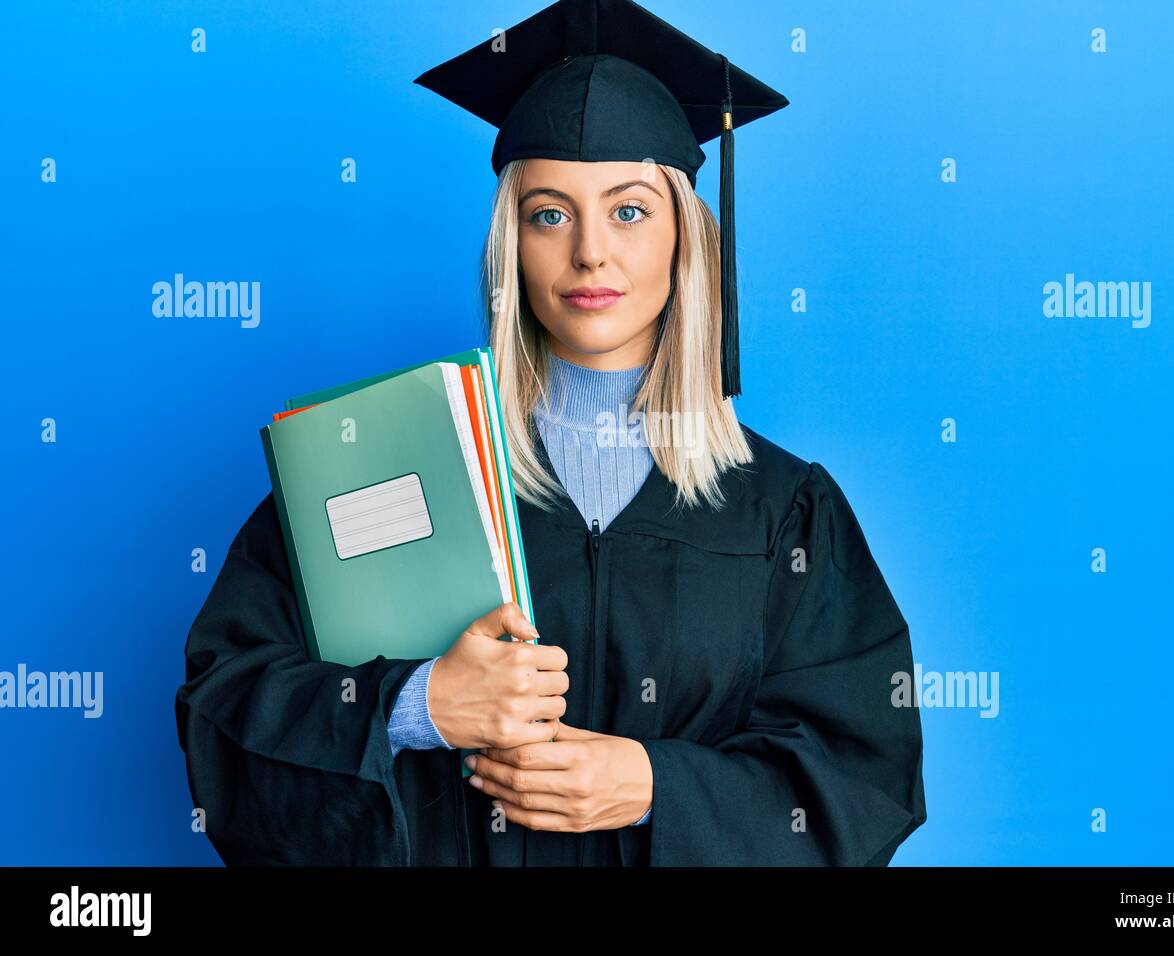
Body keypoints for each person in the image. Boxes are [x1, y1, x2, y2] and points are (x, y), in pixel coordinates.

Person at [174, 0, 926, 866]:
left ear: (688, 235)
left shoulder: (782, 510)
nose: (590, 254)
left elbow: (863, 775)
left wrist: (653, 786)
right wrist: (416, 706)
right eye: (549, 214)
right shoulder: (384, 463)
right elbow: (221, 710)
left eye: (631, 210)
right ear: (511, 243)